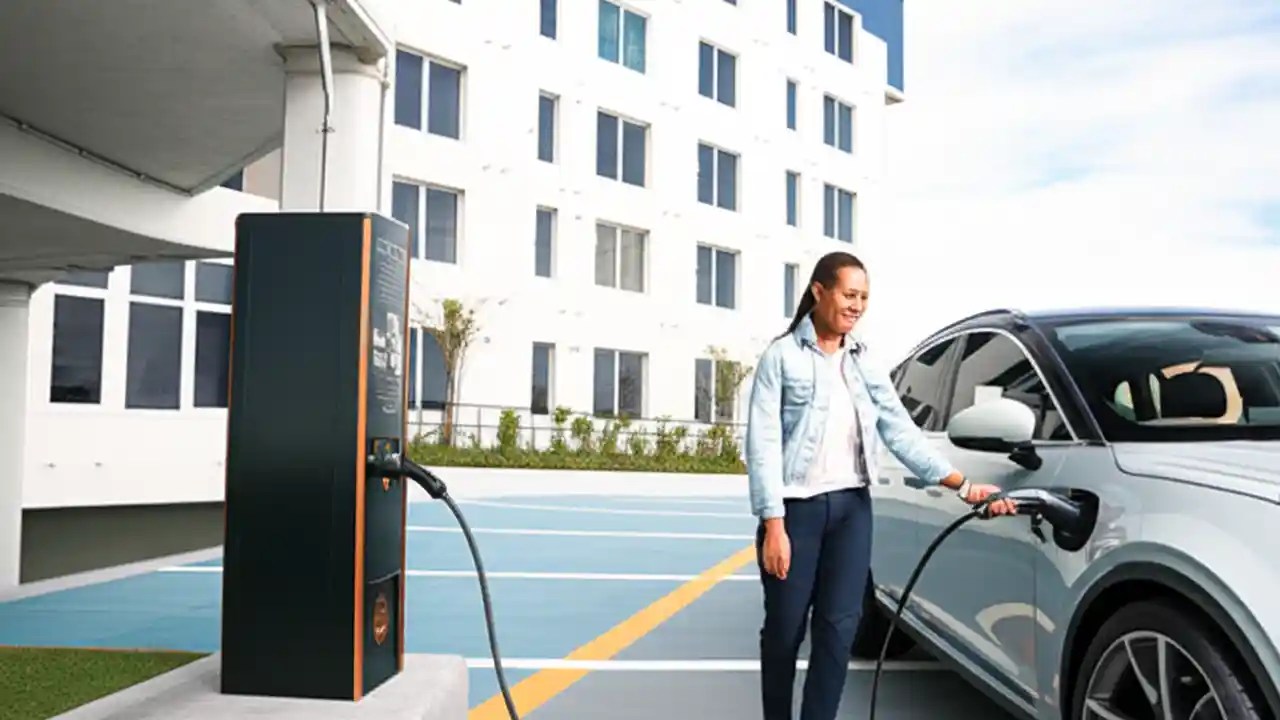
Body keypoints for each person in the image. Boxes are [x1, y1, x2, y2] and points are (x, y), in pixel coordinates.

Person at [745, 250, 1016, 720]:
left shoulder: (865, 362)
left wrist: (963, 485)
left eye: (864, 298)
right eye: (850, 294)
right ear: (819, 291)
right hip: (796, 513)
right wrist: (773, 523)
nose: (857, 305)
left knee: (839, 628)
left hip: (852, 510)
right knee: (786, 630)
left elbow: (900, 430)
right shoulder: (782, 357)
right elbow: (763, 444)